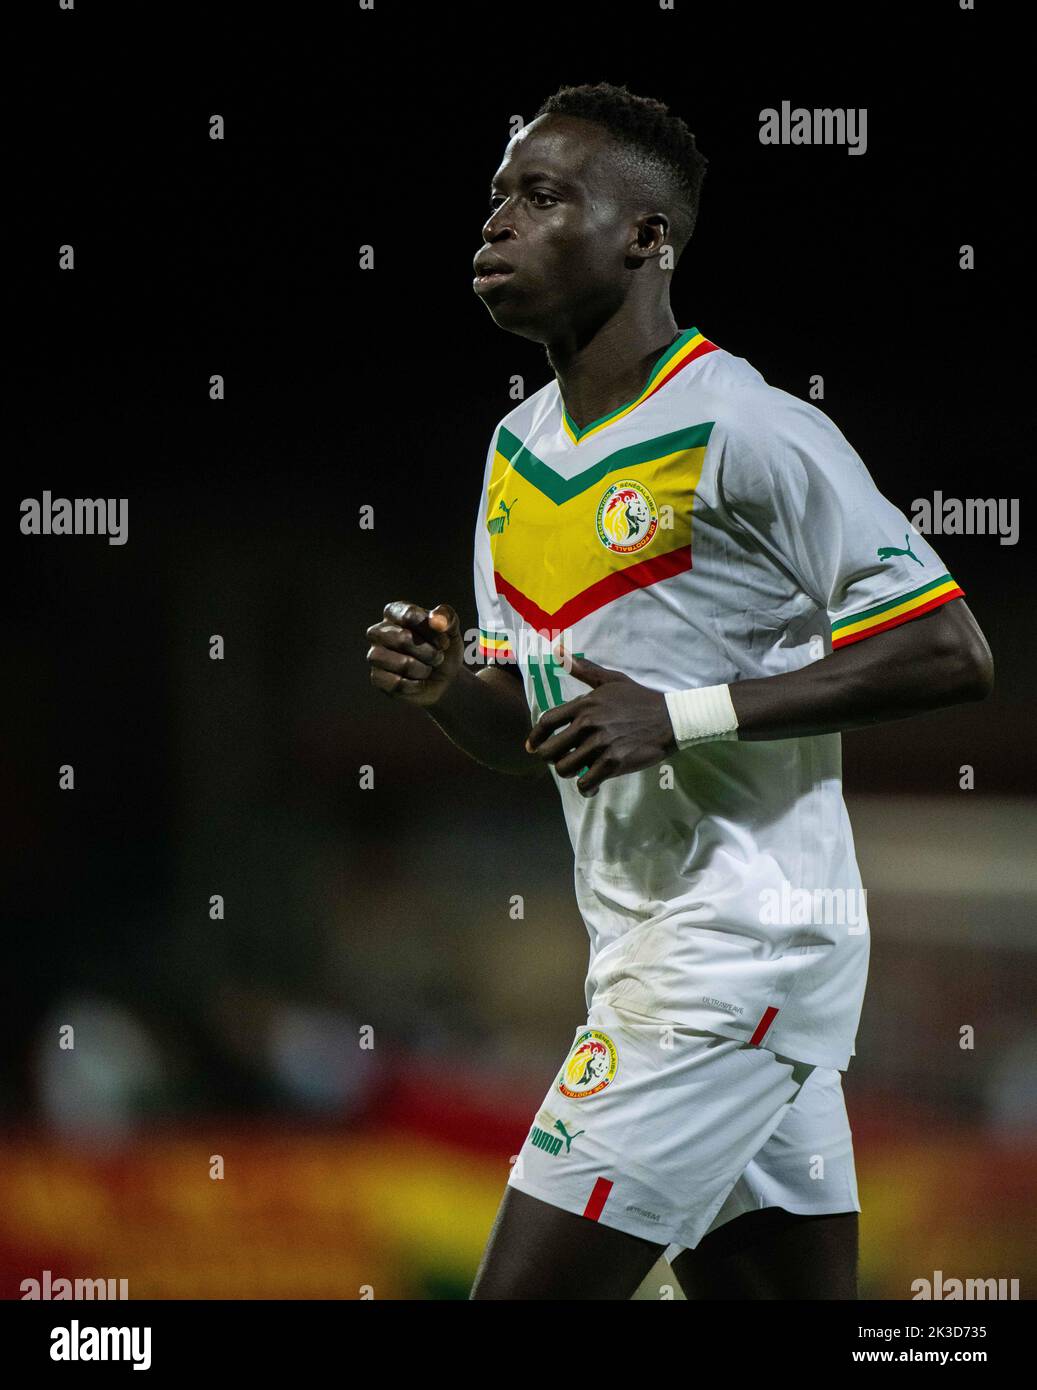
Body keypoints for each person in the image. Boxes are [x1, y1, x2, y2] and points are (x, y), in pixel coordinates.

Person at [365, 82, 994, 1300]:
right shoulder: (518, 449)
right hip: (644, 947)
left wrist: (683, 711)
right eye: (496, 198)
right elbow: (550, 731)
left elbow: (949, 651)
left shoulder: (750, 428)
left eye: (542, 197)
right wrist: (452, 688)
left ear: (646, 238)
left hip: (733, 955)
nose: (495, 224)